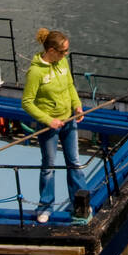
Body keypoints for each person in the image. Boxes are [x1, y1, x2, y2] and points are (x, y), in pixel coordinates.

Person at [21, 28, 89, 224]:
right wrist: (48, 120)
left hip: (68, 121)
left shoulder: (63, 63)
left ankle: (80, 202)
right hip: (49, 126)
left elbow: (69, 86)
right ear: (51, 50)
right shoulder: (35, 72)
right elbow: (27, 102)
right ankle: (45, 206)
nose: (66, 54)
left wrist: (77, 105)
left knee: (74, 162)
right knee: (49, 166)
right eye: (63, 51)